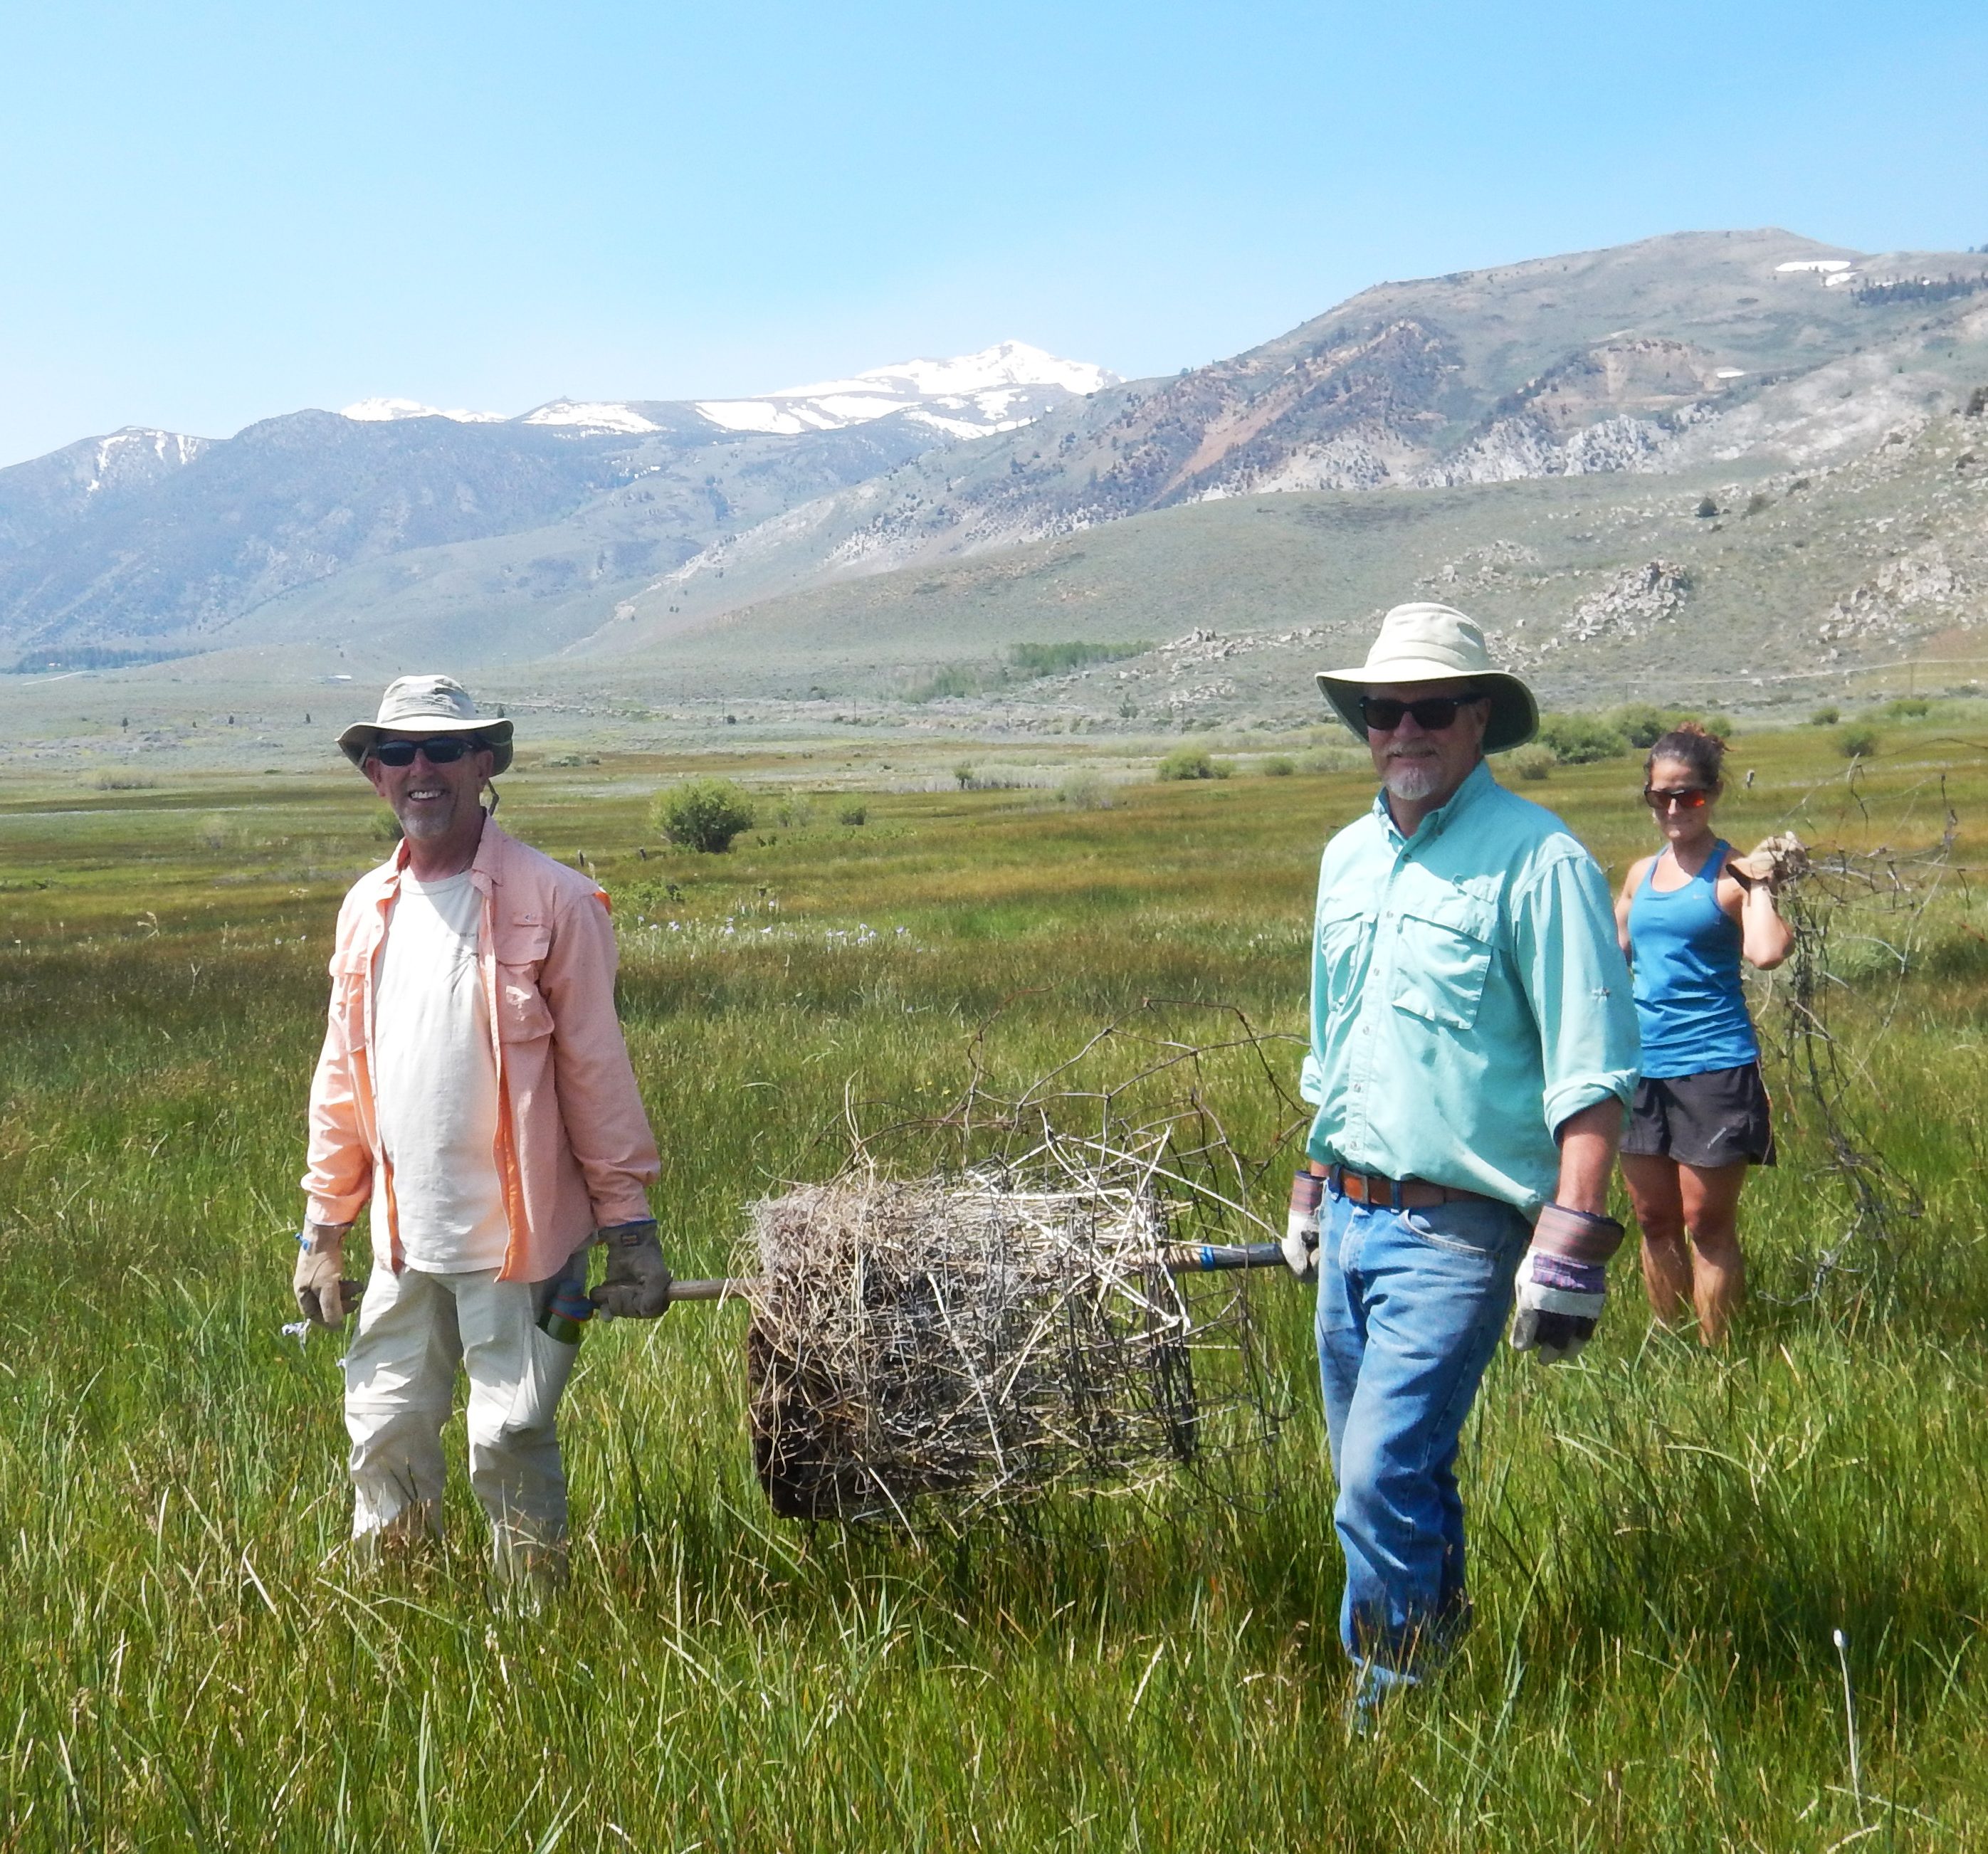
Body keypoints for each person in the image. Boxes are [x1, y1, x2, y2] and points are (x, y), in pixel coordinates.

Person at [1282, 602, 1639, 1715]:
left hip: (1460, 1231)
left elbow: (1592, 1067)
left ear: (1476, 717)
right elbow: (1330, 1045)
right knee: (1397, 1475)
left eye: (1429, 710)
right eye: (1381, 713)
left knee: (1374, 1479)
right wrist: (1306, 1189)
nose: (1403, 732)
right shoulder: (1346, 859)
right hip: (1346, 1219)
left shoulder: (1539, 859)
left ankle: (1384, 1703)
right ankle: (1442, 1673)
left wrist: (1569, 1249)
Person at [294, 674, 673, 1589]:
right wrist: (322, 1232)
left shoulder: (559, 901)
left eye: (444, 750)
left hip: (525, 1244)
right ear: (374, 777)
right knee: (383, 1426)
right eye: (397, 752)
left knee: (510, 1436)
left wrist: (631, 1234)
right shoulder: (364, 910)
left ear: (485, 763)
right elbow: (342, 1078)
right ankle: (397, 1612)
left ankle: (531, 1630)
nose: (421, 770)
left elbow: (596, 1075)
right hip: (397, 1242)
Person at [1614, 724, 1792, 1345]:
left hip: (1714, 1066)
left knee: (1703, 1222)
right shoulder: (1640, 875)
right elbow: (1613, 960)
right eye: (1659, 795)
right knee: (1651, 1217)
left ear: (1711, 795)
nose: (1671, 808)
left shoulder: (1732, 873)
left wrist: (1762, 883)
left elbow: (1767, 952)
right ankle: (1669, 1344)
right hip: (1642, 1067)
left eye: (1686, 796)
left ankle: (1720, 1357)